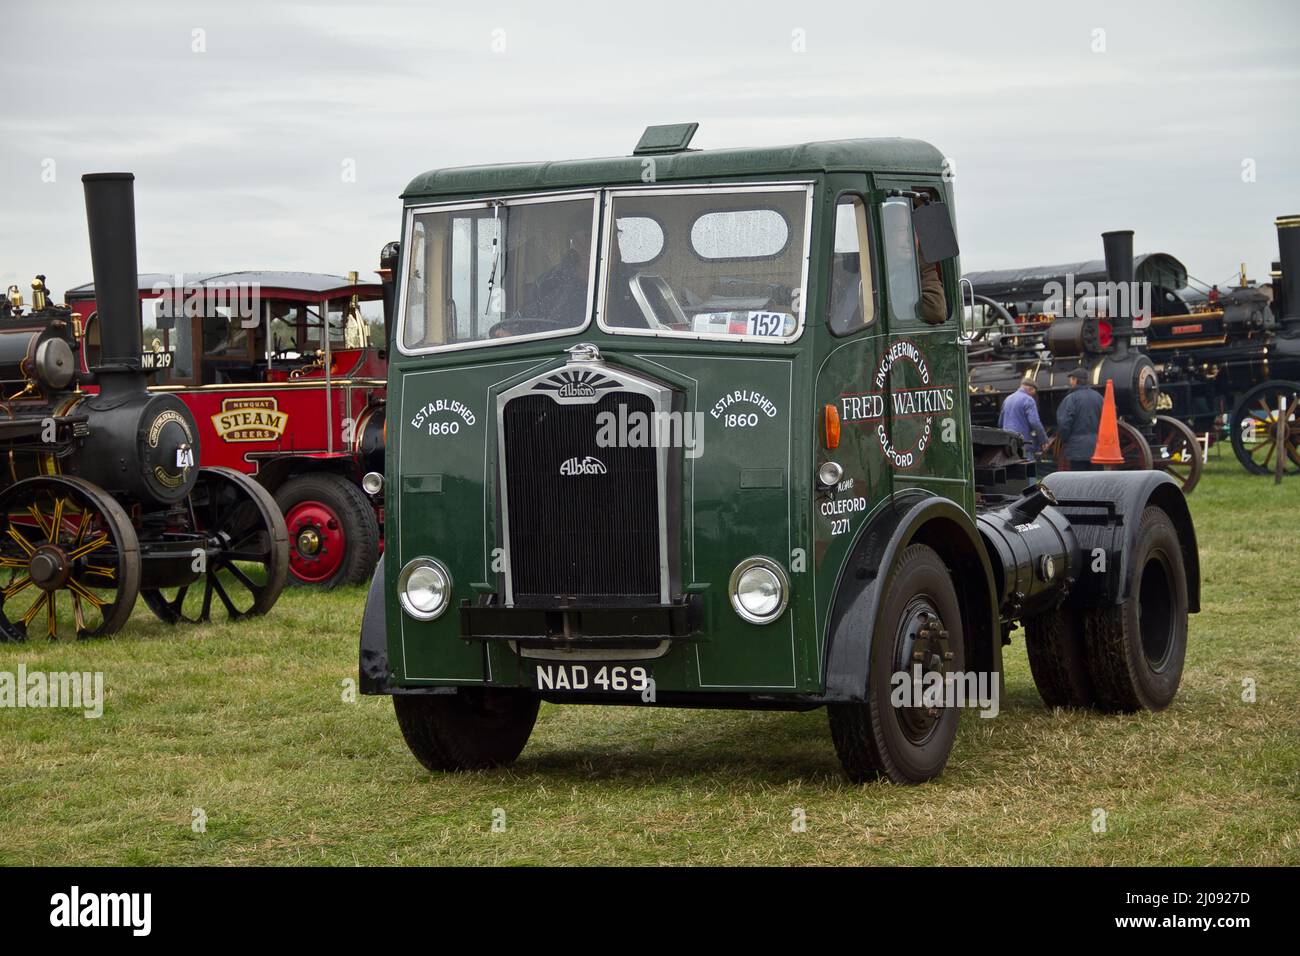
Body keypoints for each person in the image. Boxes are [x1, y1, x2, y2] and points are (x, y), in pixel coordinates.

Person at [1056, 367, 1105, 470]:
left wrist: (1066, 440)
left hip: (1077, 449)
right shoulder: (1099, 397)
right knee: (1097, 481)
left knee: (1080, 482)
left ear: (1075, 380)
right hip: (1097, 448)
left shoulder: (1071, 399)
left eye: (1071, 379)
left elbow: (1064, 423)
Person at [998, 380, 1050, 458]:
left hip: (1008, 444)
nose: (1033, 396)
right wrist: (1044, 441)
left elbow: (1000, 423)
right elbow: (1034, 422)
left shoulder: (1007, 399)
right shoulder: (1028, 400)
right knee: (1027, 468)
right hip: (1024, 444)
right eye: (1034, 393)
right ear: (1031, 389)